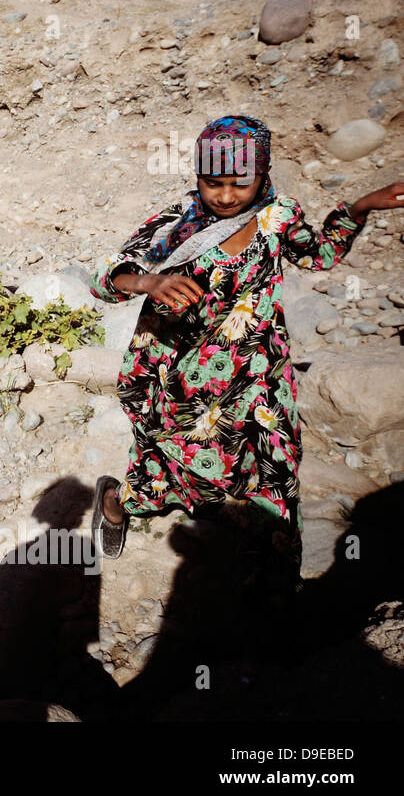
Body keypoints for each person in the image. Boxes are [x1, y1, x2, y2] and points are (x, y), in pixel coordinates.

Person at [88, 114, 404, 564]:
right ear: (197, 176)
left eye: (240, 183)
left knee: (276, 468)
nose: (225, 196)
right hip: (182, 371)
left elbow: (318, 256)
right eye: (212, 182)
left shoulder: (279, 216)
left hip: (259, 369)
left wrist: (359, 208)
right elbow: (105, 278)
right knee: (170, 463)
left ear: (263, 175)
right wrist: (147, 284)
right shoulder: (179, 222)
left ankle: (278, 584)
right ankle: (116, 501)